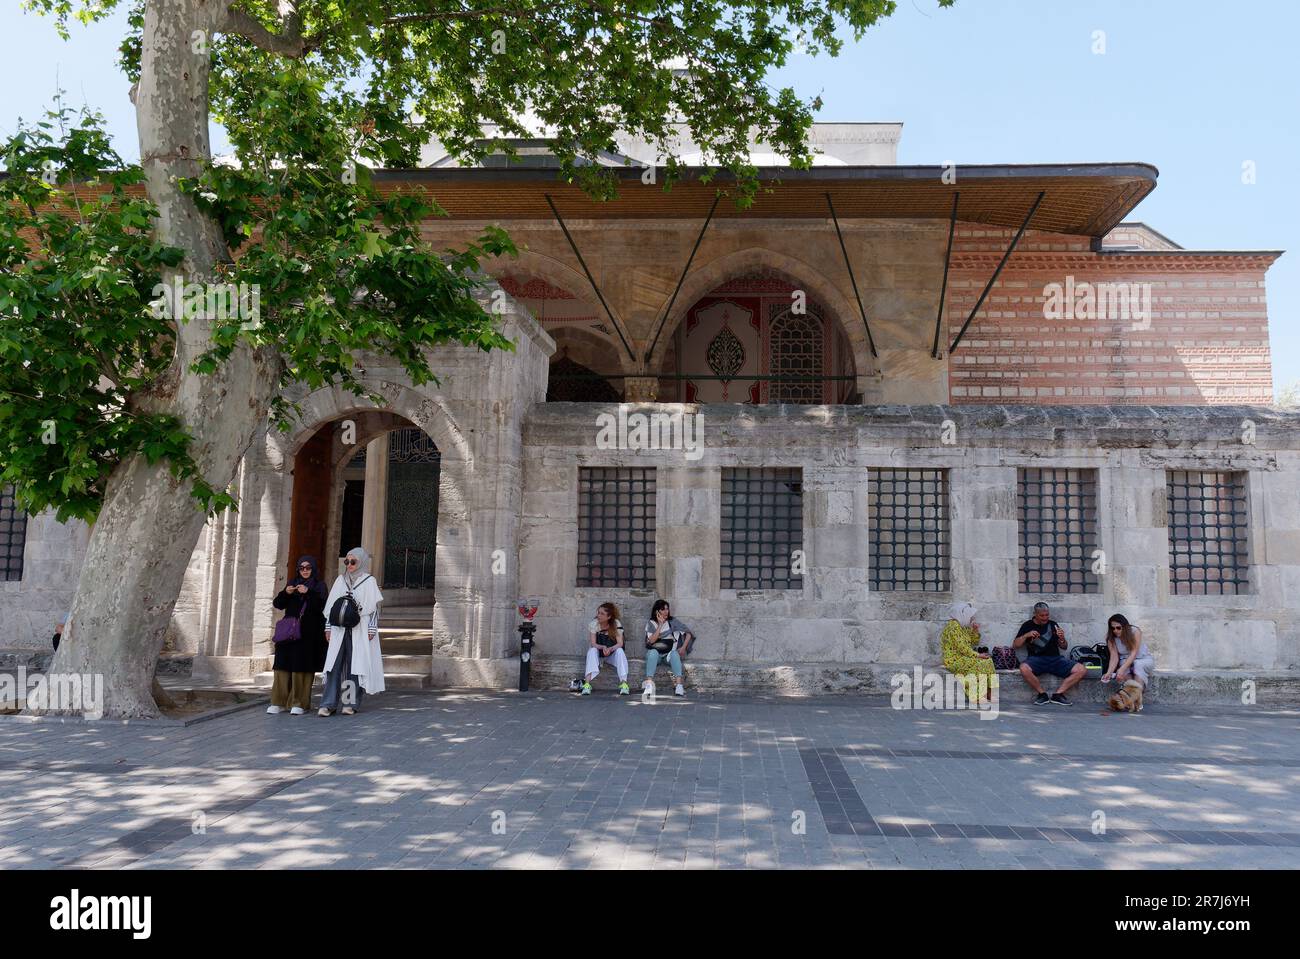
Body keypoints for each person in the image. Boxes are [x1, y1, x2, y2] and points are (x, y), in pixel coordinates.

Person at [319, 547, 385, 716]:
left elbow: (374, 609)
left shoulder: (369, 581)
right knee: (334, 664)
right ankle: (328, 703)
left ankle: (350, 703)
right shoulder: (340, 580)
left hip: (360, 628)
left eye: (353, 562)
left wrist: (371, 628)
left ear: (361, 562)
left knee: (354, 665)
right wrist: (328, 627)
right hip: (339, 627)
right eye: (346, 561)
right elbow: (331, 607)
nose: (349, 565)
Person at [267, 556, 328, 716]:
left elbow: (322, 606)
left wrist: (308, 593)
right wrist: (285, 593)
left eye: (308, 568)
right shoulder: (292, 583)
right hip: (288, 633)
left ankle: (299, 703)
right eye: (302, 568)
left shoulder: (319, 586)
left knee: (301, 667)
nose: (305, 570)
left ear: (313, 569)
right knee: (281, 664)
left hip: (308, 634)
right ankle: (278, 702)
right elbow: (278, 604)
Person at [1014, 601, 1085, 706]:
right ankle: (1042, 694)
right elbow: (1015, 645)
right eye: (1042, 615)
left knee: (1081, 669)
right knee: (1023, 668)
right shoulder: (1027, 625)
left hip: (1055, 659)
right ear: (1035, 614)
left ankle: (1058, 694)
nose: (1045, 618)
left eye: (1047, 615)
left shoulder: (1053, 624)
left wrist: (1062, 638)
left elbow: (1064, 647)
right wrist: (1026, 635)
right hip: (1036, 660)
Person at [940, 602, 995, 703]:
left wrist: (975, 630)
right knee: (981, 663)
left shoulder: (963, 626)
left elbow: (974, 642)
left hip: (965, 656)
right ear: (962, 614)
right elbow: (962, 647)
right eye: (969, 616)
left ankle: (990, 693)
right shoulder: (953, 626)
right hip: (954, 660)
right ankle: (977, 695)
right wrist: (978, 655)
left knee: (989, 662)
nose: (971, 618)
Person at [644, 599, 692, 697]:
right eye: (663, 609)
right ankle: (649, 685)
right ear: (657, 611)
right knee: (652, 652)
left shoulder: (672, 622)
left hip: (668, 654)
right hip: (656, 654)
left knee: (675, 654)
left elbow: (688, 633)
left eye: (667, 609)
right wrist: (660, 625)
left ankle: (679, 686)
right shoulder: (651, 623)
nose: (666, 611)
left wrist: (683, 647)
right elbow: (651, 641)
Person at [581, 602, 628, 696]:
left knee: (620, 651)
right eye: (598, 612)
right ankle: (587, 685)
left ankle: (624, 684)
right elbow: (593, 643)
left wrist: (610, 649)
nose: (599, 615)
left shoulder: (616, 624)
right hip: (598, 654)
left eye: (602, 614)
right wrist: (602, 647)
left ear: (609, 616)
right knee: (591, 650)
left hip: (612, 654)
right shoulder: (594, 624)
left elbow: (620, 643)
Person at [1102, 613, 1155, 692]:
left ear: (1125, 626)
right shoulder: (1110, 637)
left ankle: (1137, 701)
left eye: (1118, 628)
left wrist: (1122, 669)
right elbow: (1114, 657)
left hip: (1143, 659)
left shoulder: (1135, 631)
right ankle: (1132, 698)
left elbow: (1134, 652)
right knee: (1125, 672)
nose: (1115, 630)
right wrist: (1109, 673)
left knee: (1137, 665)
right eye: (1112, 628)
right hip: (1125, 659)